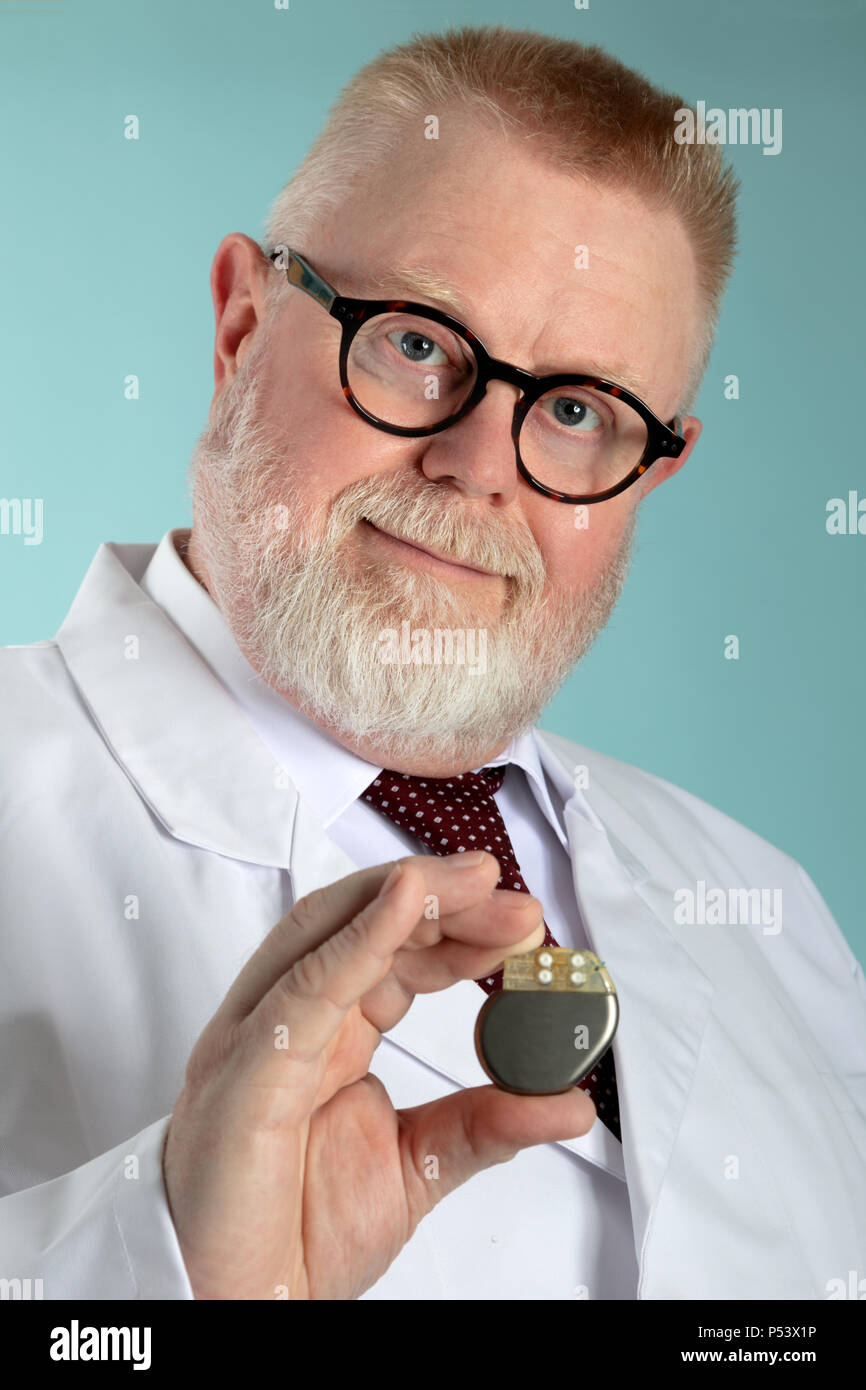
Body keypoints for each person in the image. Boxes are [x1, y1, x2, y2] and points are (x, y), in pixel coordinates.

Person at [1, 24, 864, 1302]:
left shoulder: (767, 907)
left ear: (651, 470)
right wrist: (160, 1277)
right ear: (242, 325)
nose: (477, 466)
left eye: (575, 411)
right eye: (414, 342)